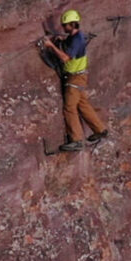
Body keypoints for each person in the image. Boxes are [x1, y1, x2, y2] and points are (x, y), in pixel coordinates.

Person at [42, 8, 108, 153]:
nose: (63, 28)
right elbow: (70, 46)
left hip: (75, 77)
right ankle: (100, 129)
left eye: (65, 25)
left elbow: (66, 57)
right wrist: (61, 41)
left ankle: (76, 140)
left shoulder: (77, 40)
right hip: (79, 76)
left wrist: (51, 46)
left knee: (70, 107)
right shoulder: (74, 37)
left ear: (72, 24)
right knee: (83, 104)